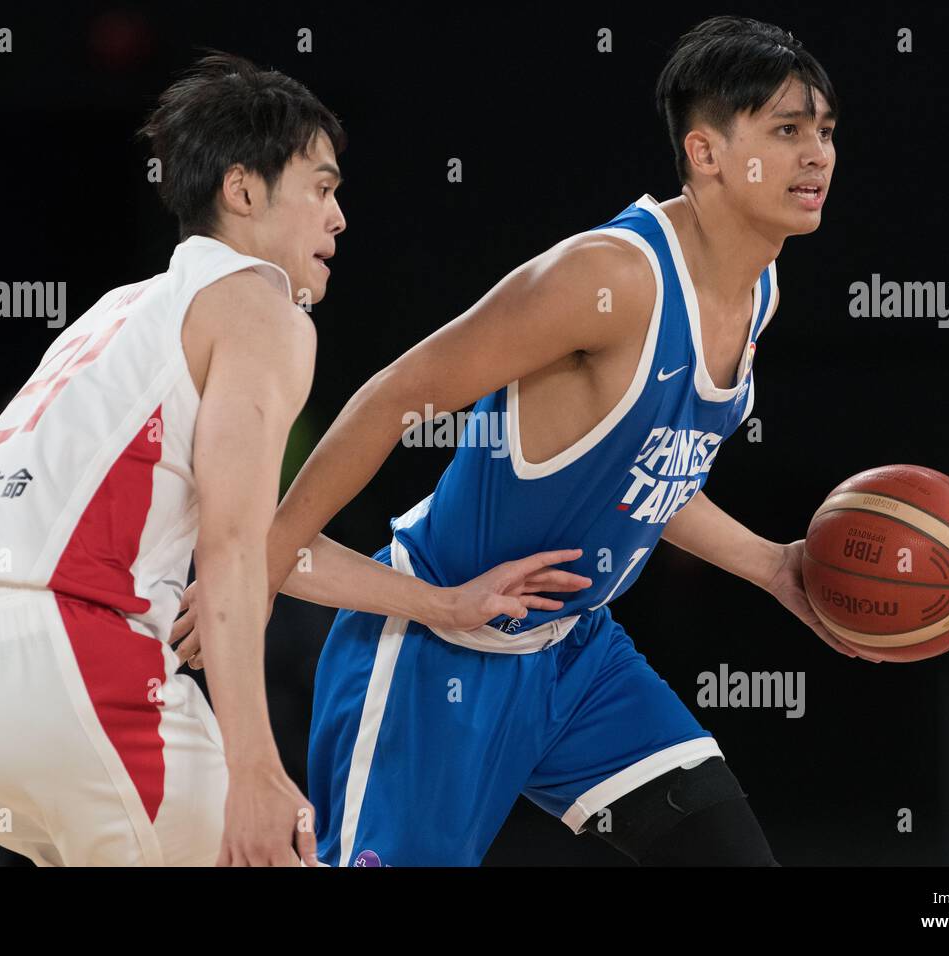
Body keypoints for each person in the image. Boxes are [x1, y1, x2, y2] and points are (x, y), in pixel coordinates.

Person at [0, 53, 586, 867]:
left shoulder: (120, 311)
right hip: (57, 649)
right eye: (322, 187)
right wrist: (253, 765)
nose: (340, 217)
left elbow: (266, 541)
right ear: (243, 191)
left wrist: (437, 603)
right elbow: (236, 550)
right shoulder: (260, 305)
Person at [179, 17, 855, 866]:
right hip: (435, 651)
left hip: (575, 657)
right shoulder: (607, 278)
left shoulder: (757, 291)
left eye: (825, 132)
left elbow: (644, 476)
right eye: (788, 131)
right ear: (707, 152)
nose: (818, 154)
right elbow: (396, 398)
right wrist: (261, 568)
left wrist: (773, 565)